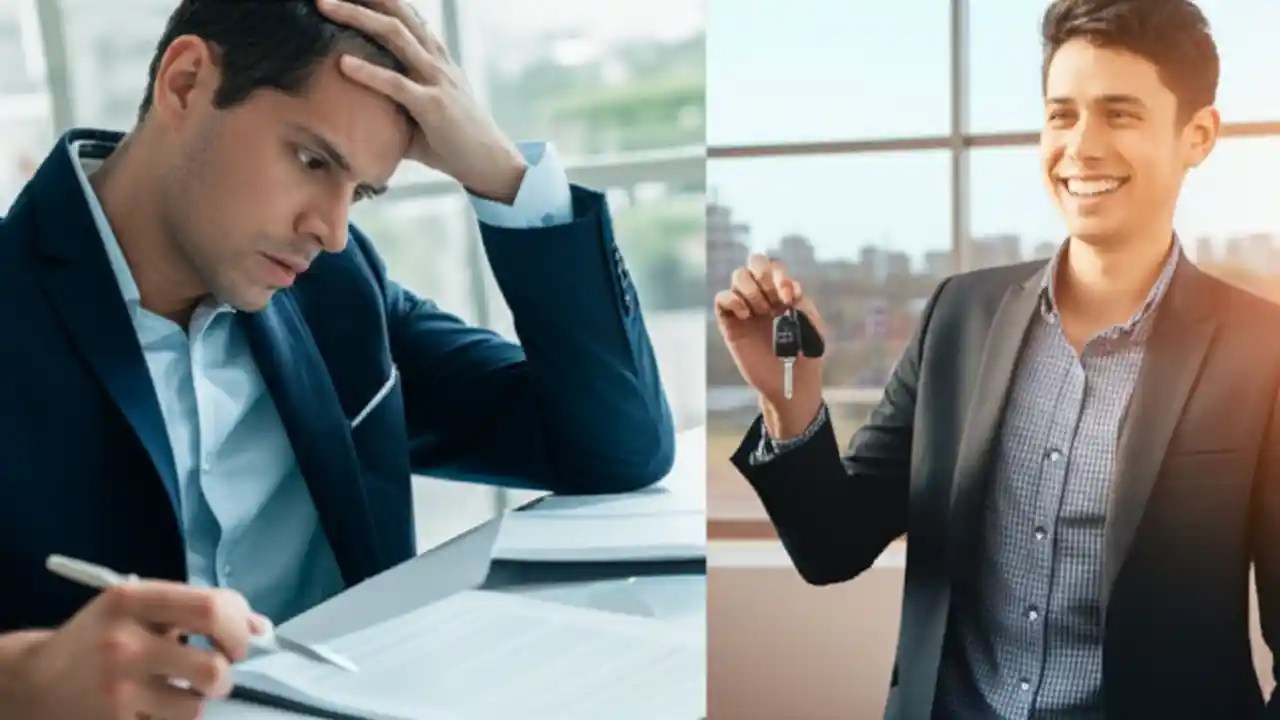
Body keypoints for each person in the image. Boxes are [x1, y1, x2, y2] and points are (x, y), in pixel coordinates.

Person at [0, 0, 674, 717]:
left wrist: (502, 177)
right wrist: (20, 679)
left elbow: (617, 446)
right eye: (313, 159)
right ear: (187, 81)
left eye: (362, 191)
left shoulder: (335, 291)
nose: (329, 228)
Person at [715, 0, 1280, 717]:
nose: (1081, 146)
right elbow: (833, 547)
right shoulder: (960, 316)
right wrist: (787, 399)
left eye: (1120, 114)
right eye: (1061, 114)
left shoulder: (1263, 351)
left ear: (1197, 136)